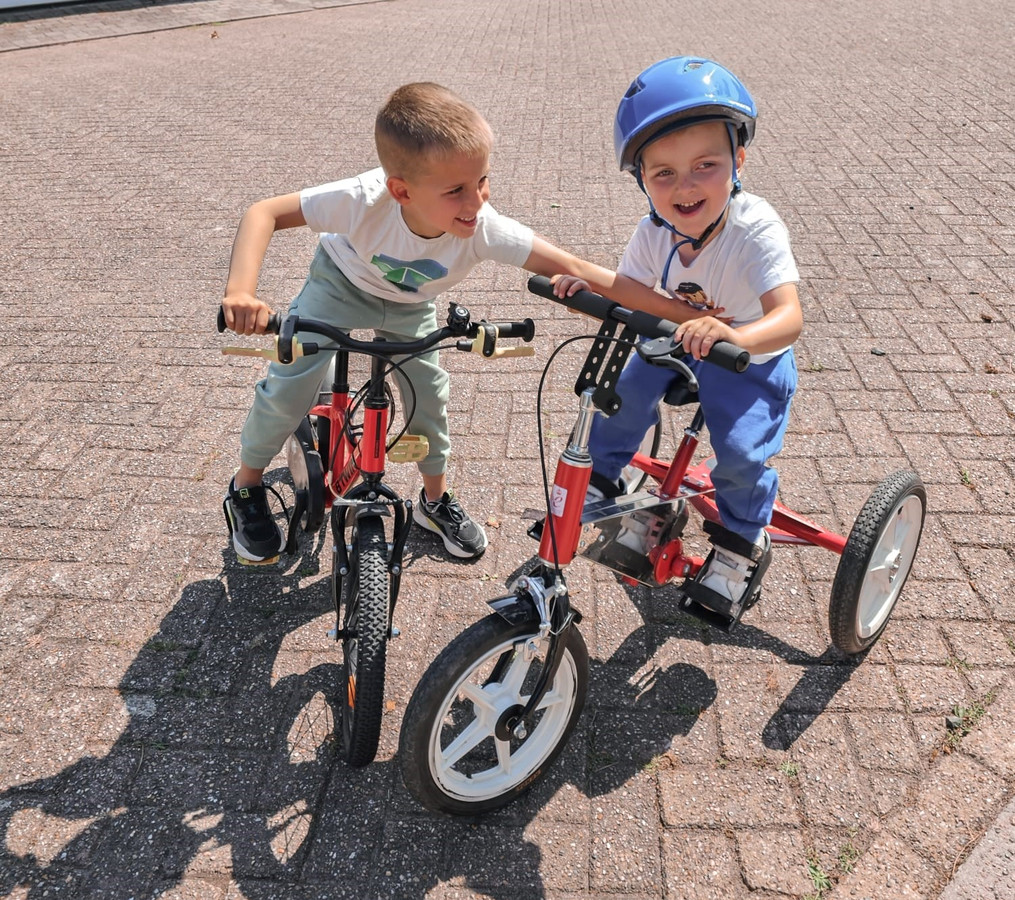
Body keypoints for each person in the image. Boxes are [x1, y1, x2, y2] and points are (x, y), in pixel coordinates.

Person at [221, 81, 683, 565]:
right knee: (292, 380)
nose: (478, 200)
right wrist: (240, 293)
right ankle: (247, 487)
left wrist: (688, 318)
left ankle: (434, 499)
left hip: (410, 305)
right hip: (339, 284)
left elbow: (585, 272)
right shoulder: (362, 199)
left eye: (482, 180)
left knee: (429, 396)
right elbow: (265, 213)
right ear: (400, 190)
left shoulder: (482, 227)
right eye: (457, 190)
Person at [551, 57, 803, 611]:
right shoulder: (652, 232)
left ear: (739, 159)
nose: (683, 187)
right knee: (620, 394)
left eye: (704, 165)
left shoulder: (755, 228)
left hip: (749, 357)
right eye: (662, 172)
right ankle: (606, 478)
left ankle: (742, 539)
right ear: (641, 181)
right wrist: (587, 286)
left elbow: (789, 317)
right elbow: (635, 292)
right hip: (678, 342)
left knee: (739, 453)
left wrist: (735, 334)